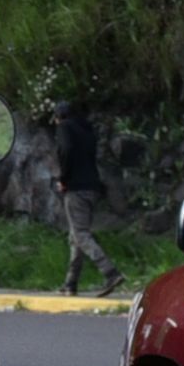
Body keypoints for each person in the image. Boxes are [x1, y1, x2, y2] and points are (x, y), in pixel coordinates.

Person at [50, 98, 124, 296]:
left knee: (81, 234)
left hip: (76, 188)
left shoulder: (64, 128)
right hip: (92, 187)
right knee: (76, 236)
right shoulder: (87, 130)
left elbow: (66, 150)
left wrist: (62, 178)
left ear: (58, 117)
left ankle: (110, 272)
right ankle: (70, 283)